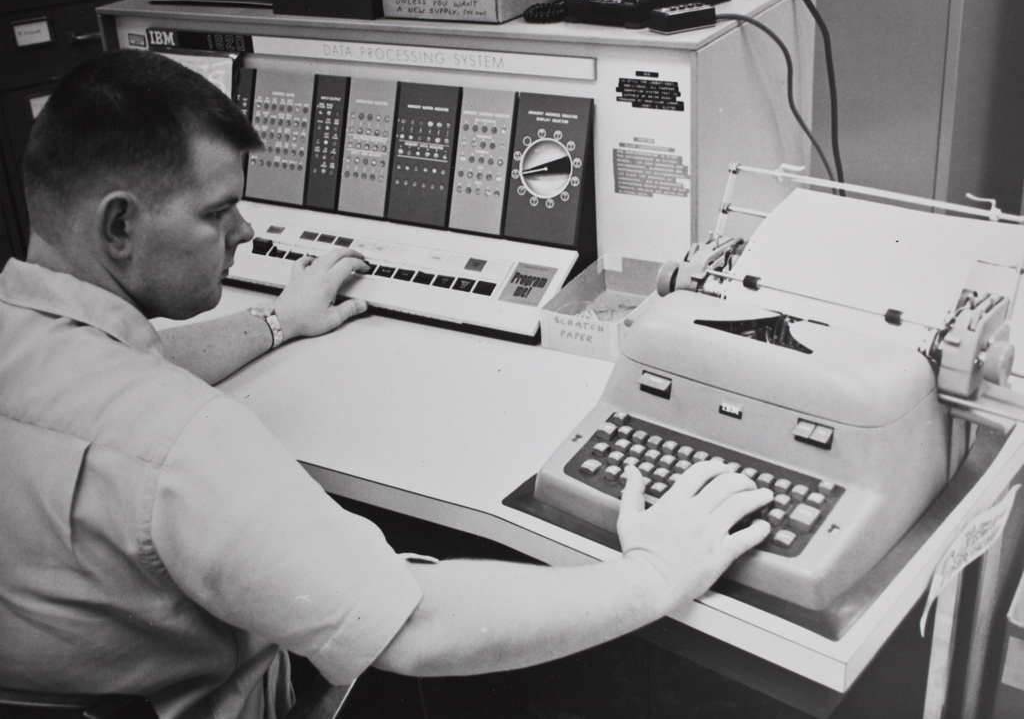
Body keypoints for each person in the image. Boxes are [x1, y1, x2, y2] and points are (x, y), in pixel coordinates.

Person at [0, 50, 773, 719]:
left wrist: (275, 324)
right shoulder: (183, 444)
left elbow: (120, 374)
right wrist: (654, 575)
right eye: (219, 211)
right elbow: (413, 630)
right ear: (119, 227)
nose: (246, 234)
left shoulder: (38, 344)